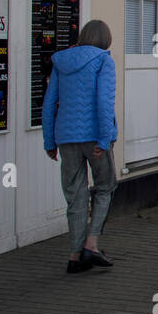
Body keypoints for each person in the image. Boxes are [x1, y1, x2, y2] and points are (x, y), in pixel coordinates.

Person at [42, 19, 118, 274]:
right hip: (95, 136)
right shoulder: (103, 61)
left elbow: (49, 102)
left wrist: (49, 141)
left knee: (75, 195)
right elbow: (104, 102)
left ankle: (75, 255)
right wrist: (105, 139)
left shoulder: (61, 61)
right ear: (105, 39)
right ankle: (92, 244)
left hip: (66, 137)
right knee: (105, 187)